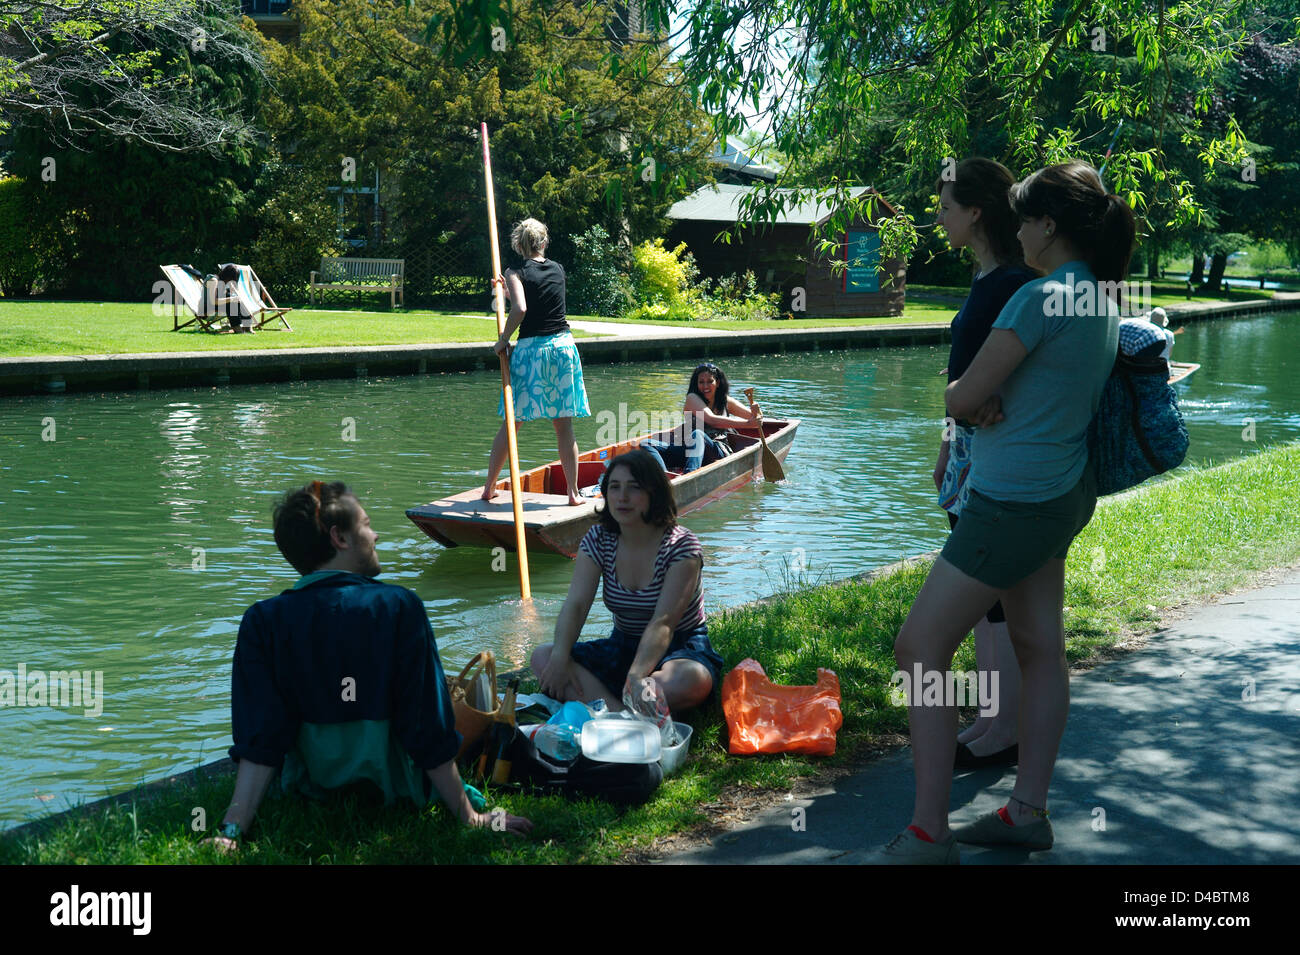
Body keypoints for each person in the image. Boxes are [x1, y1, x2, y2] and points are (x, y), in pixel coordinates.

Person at [871, 161, 1132, 863]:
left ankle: (929, 833)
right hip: (1063, 494)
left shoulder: (1040, 299)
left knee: (918, 647)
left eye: (1023, 217)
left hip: (1012, 500)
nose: (1015, 228)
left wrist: (969, 397)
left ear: (1049, 226)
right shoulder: (1099, 299)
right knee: (1039, 646)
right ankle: (1026, 811)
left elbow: (961, 397)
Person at [210, 480, 532, 851]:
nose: (375, 535)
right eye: (365, 524)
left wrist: (231, 831)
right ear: (340, 538)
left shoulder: (261, 620)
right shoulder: (398, 607)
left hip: (309, 788)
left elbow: (260, 738)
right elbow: (427, 725)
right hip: (398, 788)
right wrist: (470, 816)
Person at [933, 159, 1038, 768]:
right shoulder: (988, 279)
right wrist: (947, 448)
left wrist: (964, 434)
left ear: (976, 212)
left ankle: (1004, 730)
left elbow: (1003, 383)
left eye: (947, 207)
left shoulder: (1014, 284)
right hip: (967, 452)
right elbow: (962, 380)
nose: (940, 218)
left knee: (992, 595)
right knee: (984, 601)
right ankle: (991, 718)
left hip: (991, 456)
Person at [529, 449, 724, 713]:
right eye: (614, 487)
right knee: (544, 656)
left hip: (678, 649)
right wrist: (561, 655)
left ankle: (613, 703)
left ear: (654, 493)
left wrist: (636, 677)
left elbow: (664, 622)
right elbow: (575, 605)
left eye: (634, 488)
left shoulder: (681, 546)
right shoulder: (598, 539)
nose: (622, 497)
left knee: (692, 680)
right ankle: (621, 716)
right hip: (622, 646)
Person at [481, 218, 591, 506]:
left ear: (519, 244)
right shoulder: (557, 268)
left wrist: (504, 339)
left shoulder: (515, 270)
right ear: (544, 242)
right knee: (563, 425)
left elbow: (522, 307)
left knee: (512, 423)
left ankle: (489, 488)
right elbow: (541, 298)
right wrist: (505, 291)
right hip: (563, 347)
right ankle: (573, 493)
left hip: (532, 350)